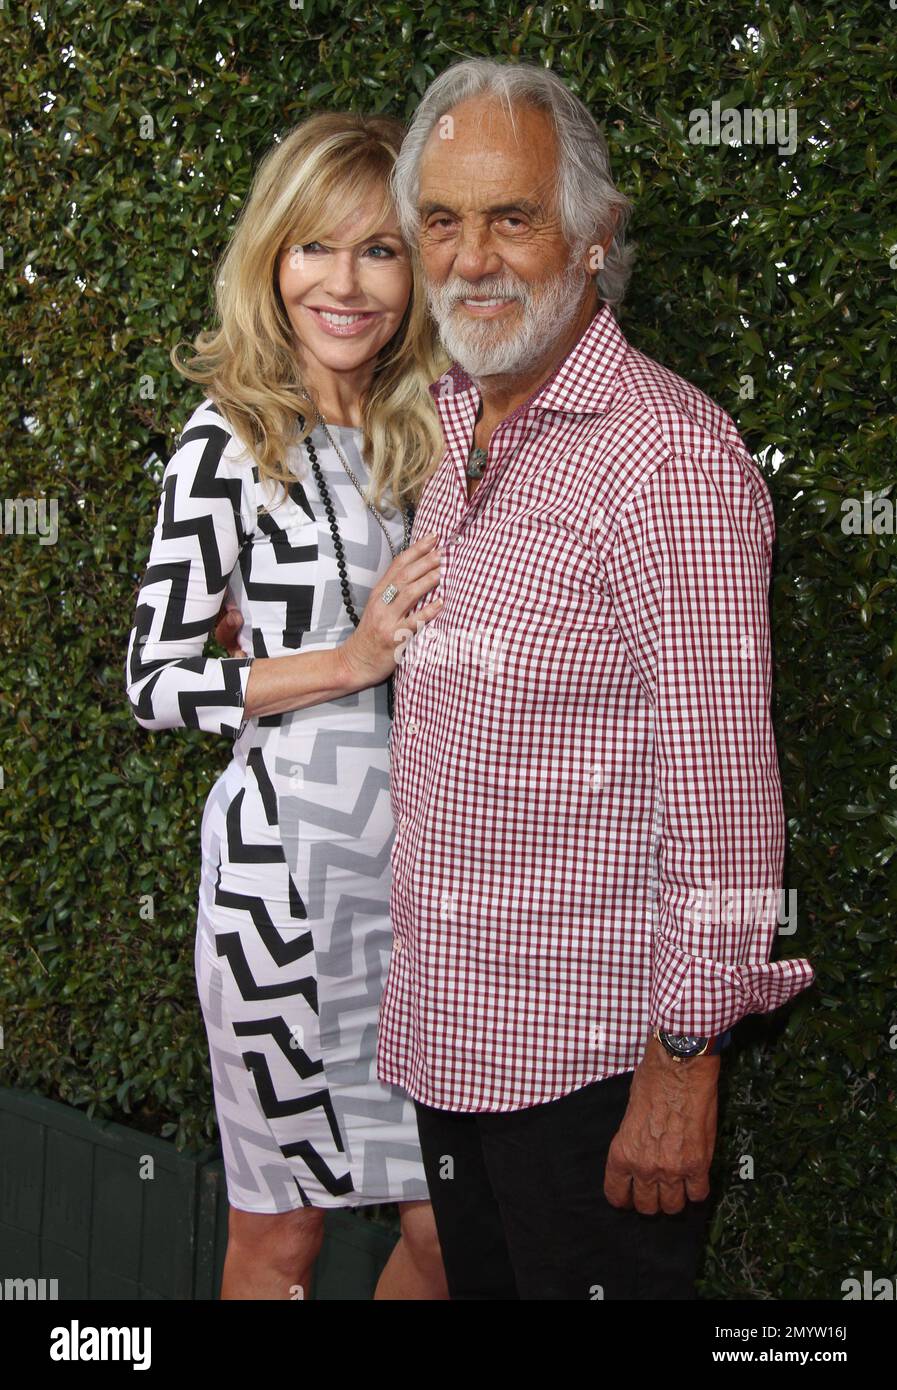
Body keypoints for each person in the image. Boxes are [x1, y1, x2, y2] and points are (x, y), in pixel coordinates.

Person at [371, 58, 816, 1299]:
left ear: (593, 236)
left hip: (592, 1082)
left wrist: (685, 1064)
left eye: (513, 216)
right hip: (450, 1045)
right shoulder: (458, 422)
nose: (473, 258)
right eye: (444, 221)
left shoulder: (671, 463)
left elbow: (726, 797)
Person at [125, 112, 449, 1300]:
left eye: (380, 249)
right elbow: (156, 677)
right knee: (284, 1240)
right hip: (285, 889)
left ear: (414, 271)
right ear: (272, 258)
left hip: (428, 891)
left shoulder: (435, 430)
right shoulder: (230, 442)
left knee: (448, 1233)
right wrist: (349, 656)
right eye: (316, 248)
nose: (345, 283)